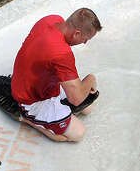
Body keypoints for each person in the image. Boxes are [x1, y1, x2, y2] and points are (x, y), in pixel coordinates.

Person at [10, 8, 101, 143]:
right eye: (85, 39)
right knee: (78, 134)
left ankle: (57, 115)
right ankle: (26, 118)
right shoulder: (62, 54)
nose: (85, 43)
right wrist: (91, 78)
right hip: (31, 98)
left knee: (88, 108)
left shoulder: (52, 19)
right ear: (76, 33)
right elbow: (76, 100)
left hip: (40, 81)